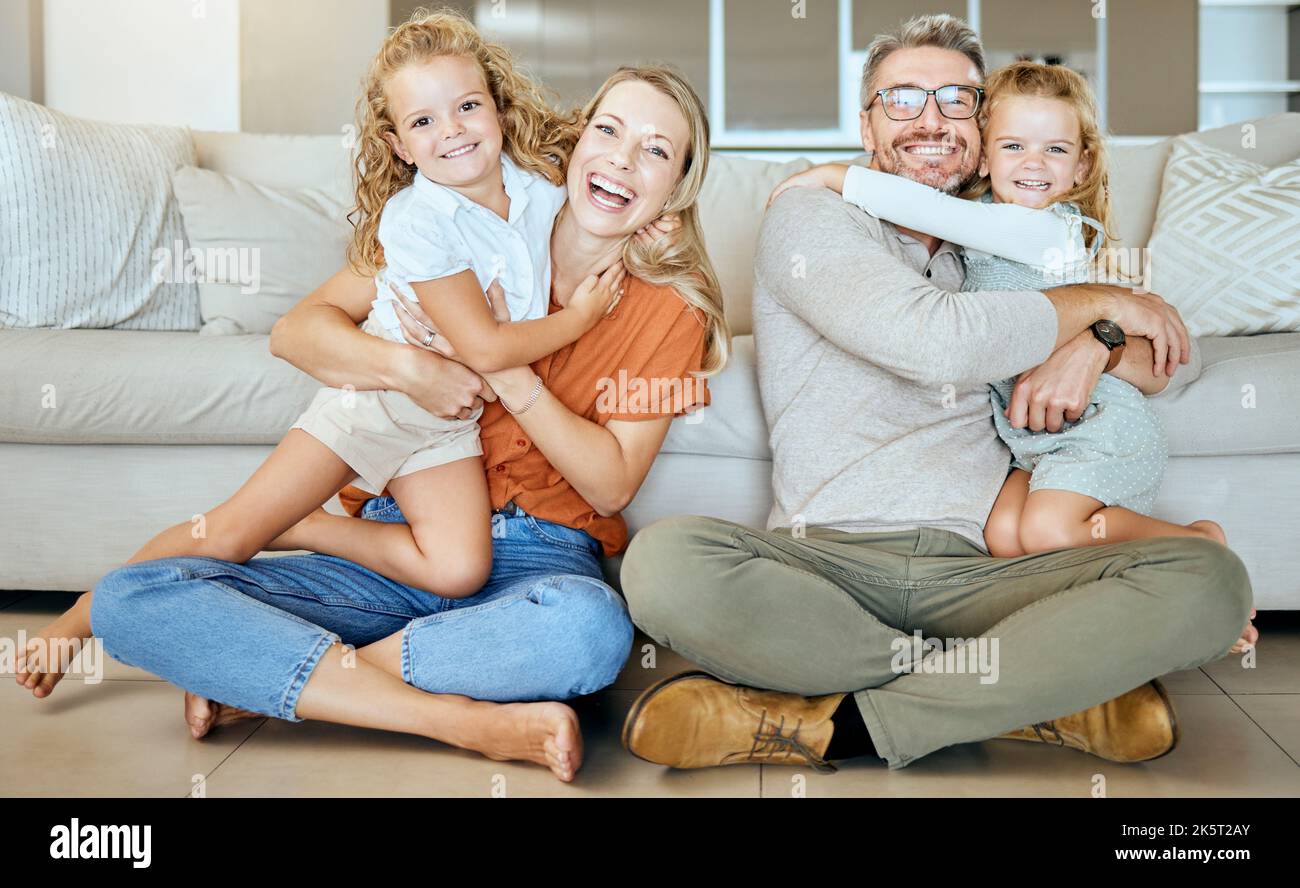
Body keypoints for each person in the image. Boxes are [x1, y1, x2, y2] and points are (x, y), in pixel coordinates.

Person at [19, 45, 729, 781]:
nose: (622, 162)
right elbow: (299, 330)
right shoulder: (467, 210)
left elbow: (610, 486)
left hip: (538, 564)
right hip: (396, 548)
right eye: (610, 132)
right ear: (577, 141)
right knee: (134, 600)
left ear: (678, 185)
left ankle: (295, 685)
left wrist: (499, 365)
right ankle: (457, 716)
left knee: (589, 632)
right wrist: (409, 365)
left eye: (656, 151)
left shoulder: (671, 312)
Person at [618, 14, 1255, 774]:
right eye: (903, 99)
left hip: (986, 565)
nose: (931, 119)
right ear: (865, 124)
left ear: (985, 128)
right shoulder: (813, 215)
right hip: (826, 565)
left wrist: (1099, 343)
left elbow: (1150, 338)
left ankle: (835, 723)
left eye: (957, 100)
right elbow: (937, 340)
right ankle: (1025, 690)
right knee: (660, 563)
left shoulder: (1005, 245)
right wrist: (1101, 310)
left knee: (1210, 582)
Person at [768, 60, 1227, 557]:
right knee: (1005, 538)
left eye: (1055, 149)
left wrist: (838, 175)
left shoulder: (1050, 228)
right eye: (1013, 146)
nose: (1033, 164)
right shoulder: (976, 227)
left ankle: (1199, 543)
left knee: (1048, 533)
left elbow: (939, 212)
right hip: (1028, 431)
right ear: (985, 159)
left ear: (1082, 166)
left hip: (1096, 421)